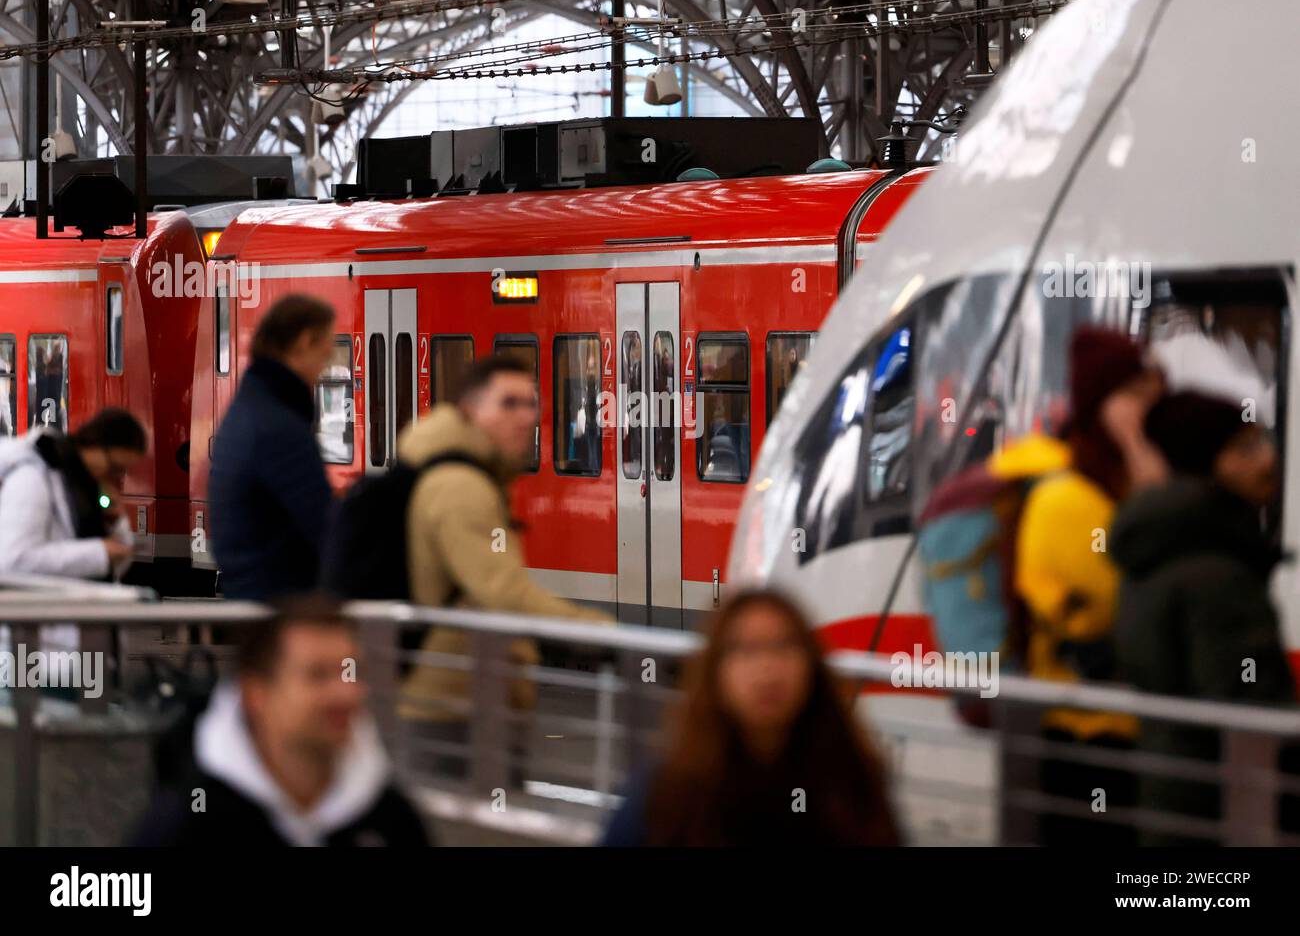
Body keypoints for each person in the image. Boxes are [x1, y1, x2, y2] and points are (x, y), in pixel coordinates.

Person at [397, 356, 612, 776]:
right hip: (452, 704)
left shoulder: (471, 475)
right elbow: (503, 592)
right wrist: (602, 633)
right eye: (508, 403)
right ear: (470, 412)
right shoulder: (460, 487)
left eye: (530, 404)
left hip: (466, 693)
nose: (525, 417)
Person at [1112, 391, 1295, 843]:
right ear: (1204, 461)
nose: (1269, 460)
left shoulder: (1155, 550)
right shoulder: (1217, 575)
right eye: (1245, 449)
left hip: (1172, 797)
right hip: (1224, 811)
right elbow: (1250, 707)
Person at [1014, 326, 1168, 844]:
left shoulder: (1115, 484)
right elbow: (1139, 597)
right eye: (1133, 397)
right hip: (1082, 736)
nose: (1148, 413)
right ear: (1102, 404)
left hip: (1127, 731)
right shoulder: (1068, 499)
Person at [603, 589, 900, 846]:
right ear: (715, 672)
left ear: (812, 666)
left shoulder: (853, 784)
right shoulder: (663, 794)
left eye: (785, 646)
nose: (767, 669)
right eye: (746, 649)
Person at [130, 595, 431, 846]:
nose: (346, 693)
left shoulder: (390, 817)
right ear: (256, 693)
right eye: (318, 675)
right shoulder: (187, 823)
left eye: (351, 672)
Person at [208, 294, 336, 601]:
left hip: (254, 592)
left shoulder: (251, 405)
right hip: (281, 601)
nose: (324, 367)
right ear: (304, 342)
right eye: (325, 353)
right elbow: (323, 525)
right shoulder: (276, 425)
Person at [0, 407, 144, 581]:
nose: (115, 478)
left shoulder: (86, 486)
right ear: (95, 446)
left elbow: (115, 563)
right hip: (39, 605)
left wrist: (116, 523)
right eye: (114, 467)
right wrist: (98, 553)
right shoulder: (34, 478)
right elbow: (13, 561)